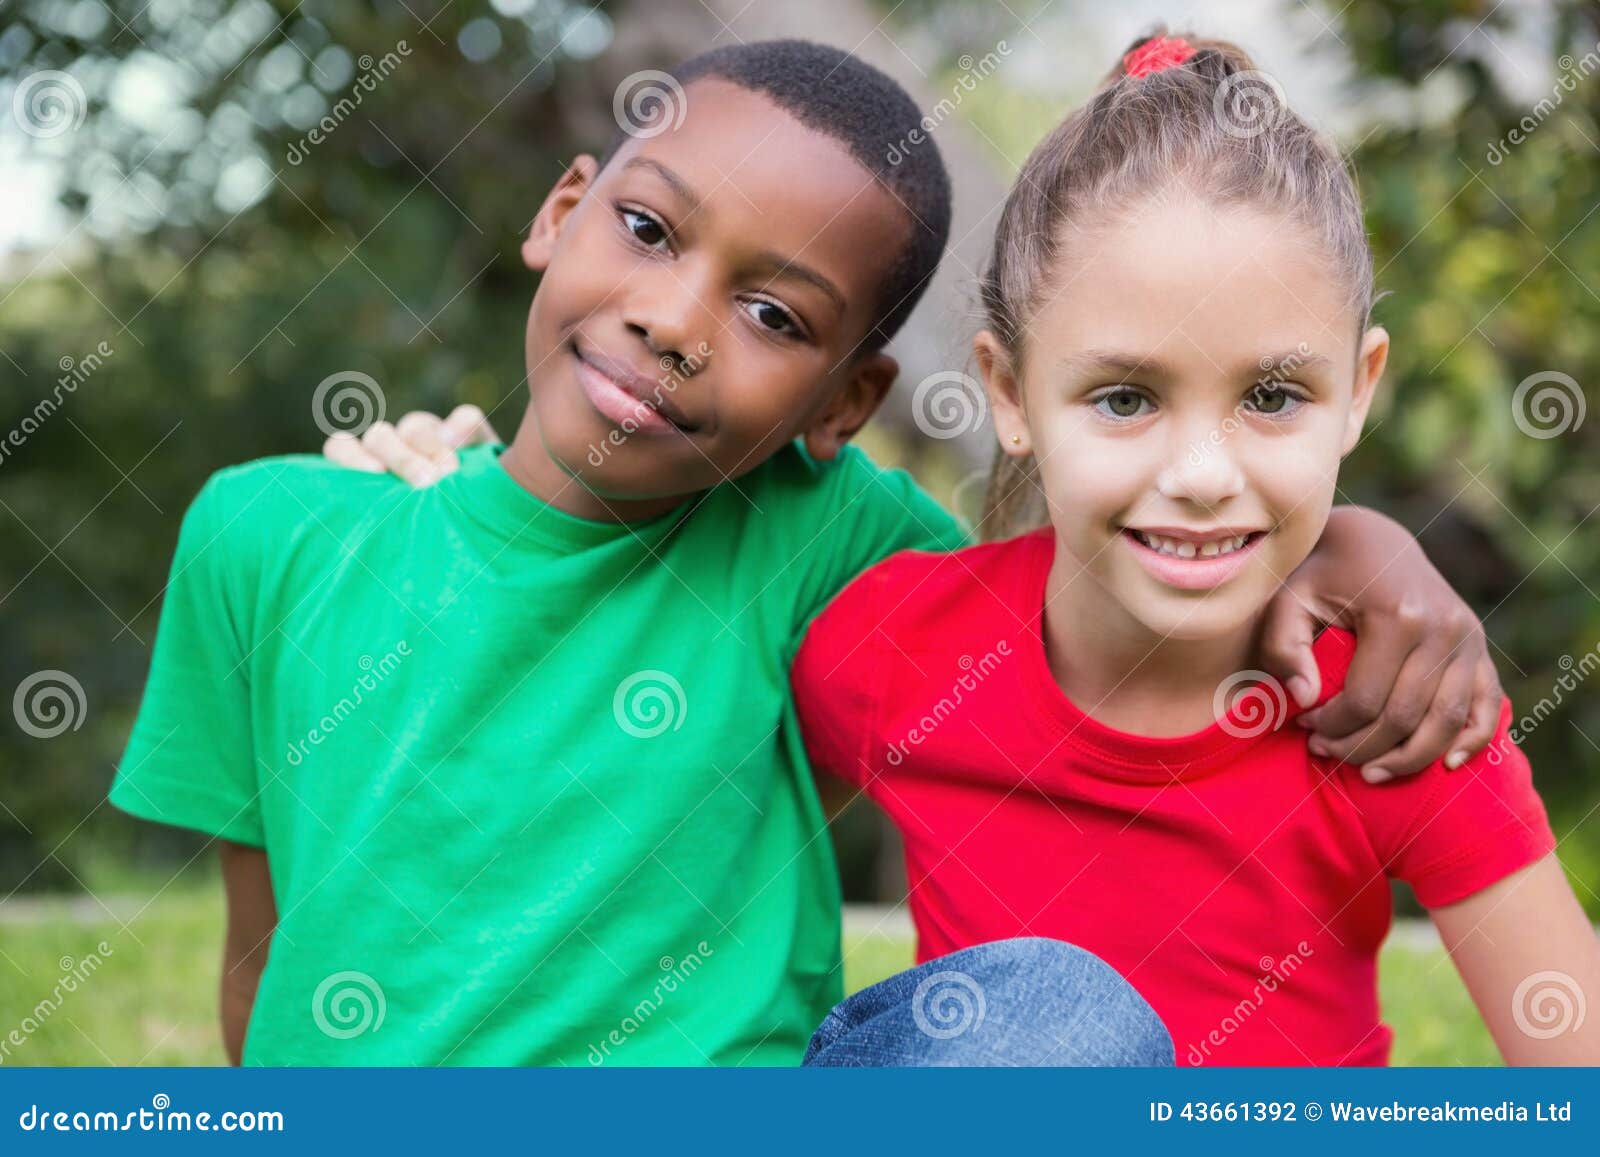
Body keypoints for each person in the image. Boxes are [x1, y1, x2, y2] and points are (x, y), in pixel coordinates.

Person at [123, 34, 1494, 1067]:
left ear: (844, 405)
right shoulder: (268, 535)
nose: (675, 320)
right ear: (562, 212)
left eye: (777, 316)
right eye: (648, 231)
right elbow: (266, 945)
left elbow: (1111, 578)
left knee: (1055, 1028)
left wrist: (1359, 542)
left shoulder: (824, 531)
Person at [790, 32, 1600, 1066]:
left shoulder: (1390, 706)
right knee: (1063, 1032)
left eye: (1271, 396)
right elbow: (715, 888)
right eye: (1124, 397)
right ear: (1008, 392)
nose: (1203, 473)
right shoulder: (899, 649)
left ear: (1358, 390)